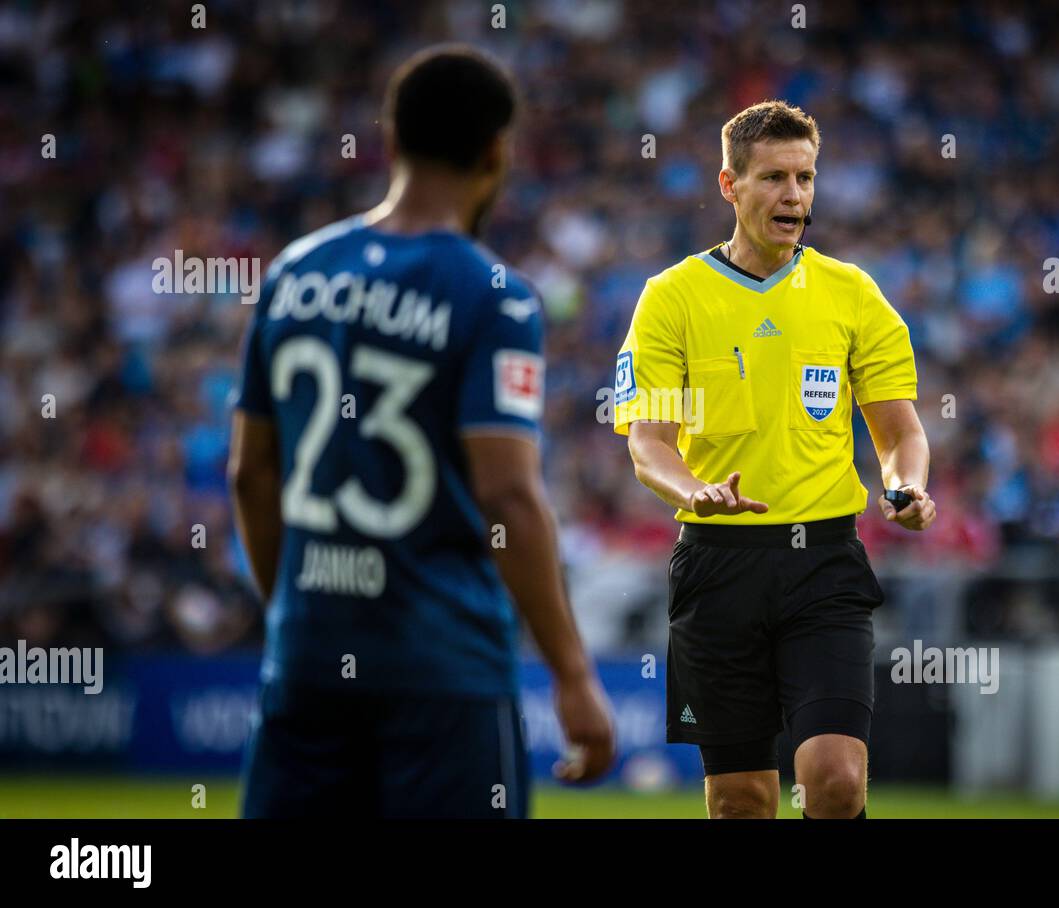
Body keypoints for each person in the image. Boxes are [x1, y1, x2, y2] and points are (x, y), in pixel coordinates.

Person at [228, 44, 614, 818]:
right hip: (443, 672)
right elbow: (507, 495)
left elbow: (249, 474)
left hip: (307, 664)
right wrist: (572, 675)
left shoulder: (295, 273)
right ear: (498, 150)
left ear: (391, 138)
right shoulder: (494, 295)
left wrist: (291, 613)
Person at [614, 100, 935, 819]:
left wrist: (904, 486)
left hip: (823, 564)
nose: (794, 196)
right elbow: (647, 443)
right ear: (730, 186)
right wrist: (692, 490)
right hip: (716, 565)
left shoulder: (851, 293)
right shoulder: (671, 298)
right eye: (774, 179)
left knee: (835, 779)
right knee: (739, 801)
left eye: (806, 178)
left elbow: (898, 432)